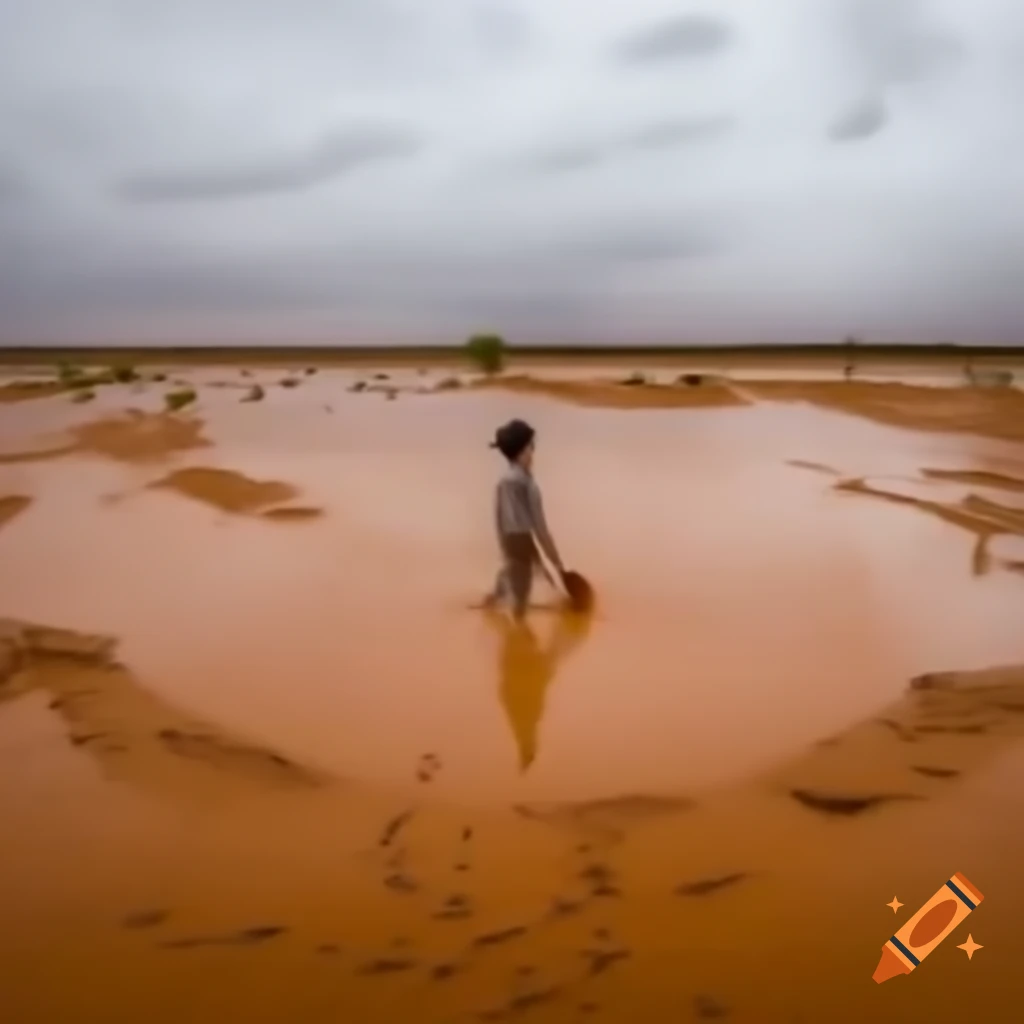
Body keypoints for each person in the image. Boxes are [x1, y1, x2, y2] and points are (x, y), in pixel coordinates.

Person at [482, 418, 568, 620]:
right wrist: (557, 561)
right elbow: (540, 528)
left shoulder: (503, 482)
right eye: (532, 446)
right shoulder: (529, 485)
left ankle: (490, 608)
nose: (534, 451)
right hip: (523, 541)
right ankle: (519, 642)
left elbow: (498, 518)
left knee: (514, 573)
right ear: (524, 451)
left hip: (510, 540)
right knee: (520, 605)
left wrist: (503, 545)